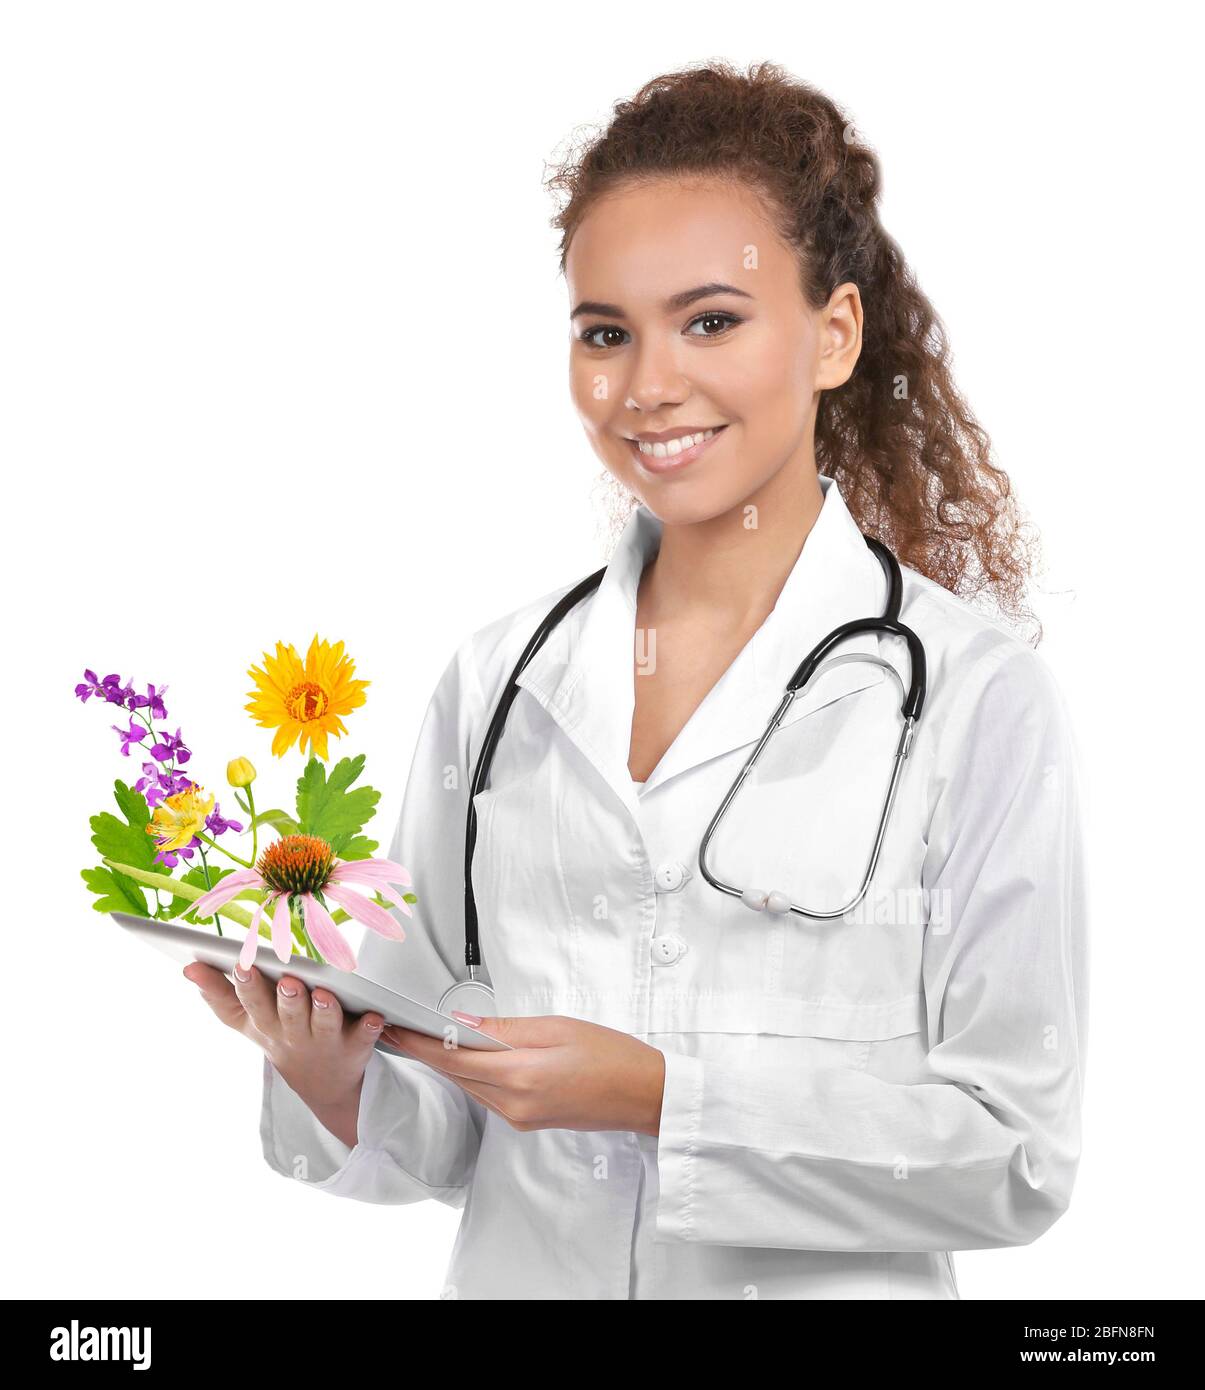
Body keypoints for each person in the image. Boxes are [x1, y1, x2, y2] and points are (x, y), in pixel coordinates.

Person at [184, 61, 1087, 1300]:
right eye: (605, 332)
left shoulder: (971, 698)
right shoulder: (500, 681)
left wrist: (665, 1101)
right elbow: (450, 1120)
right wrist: (332, 1075)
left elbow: (1014, 1152)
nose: (645, 385)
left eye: (709, 320)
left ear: (832, 336)